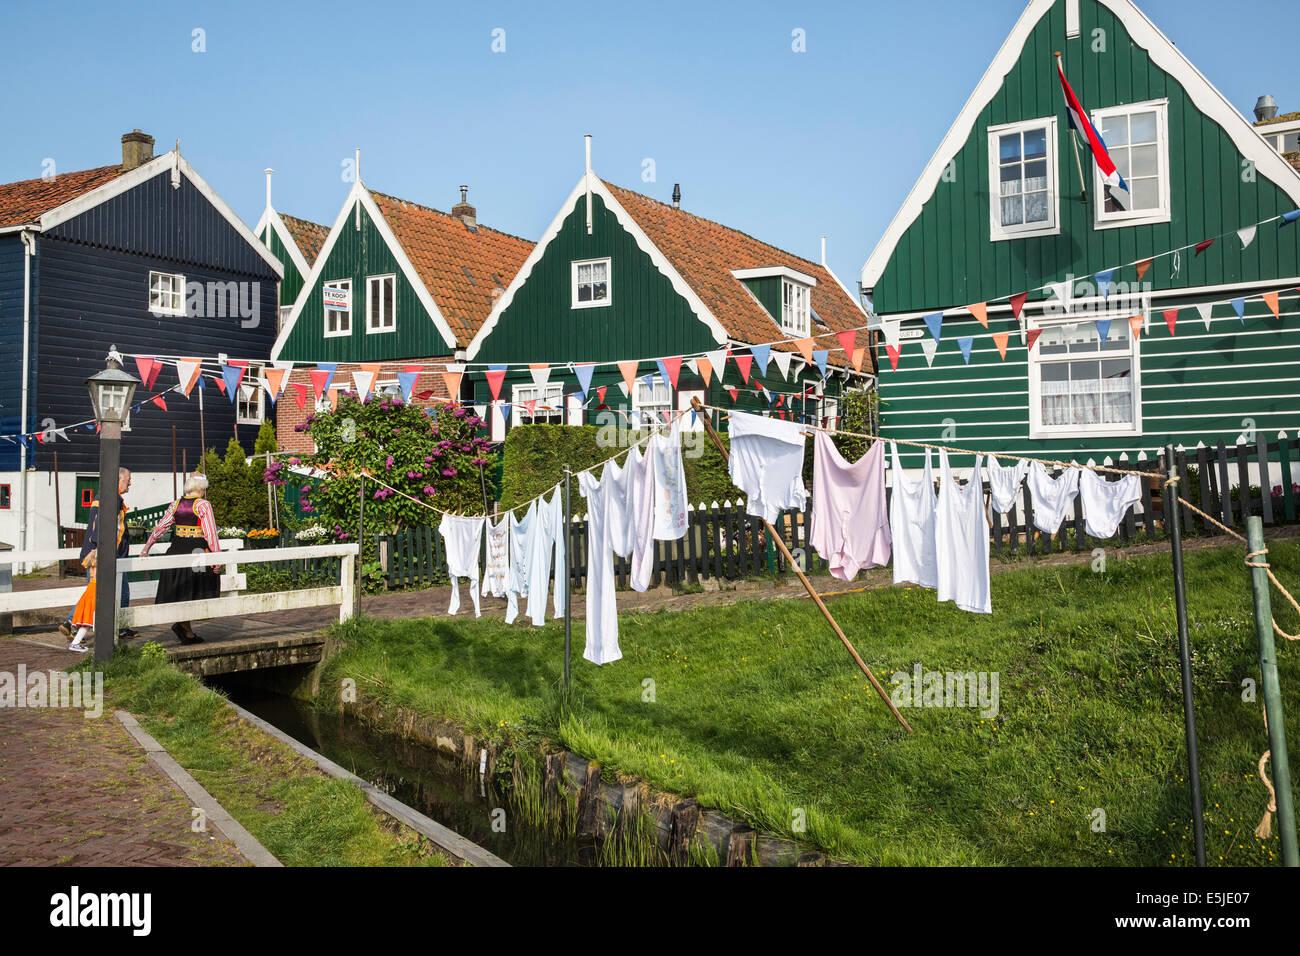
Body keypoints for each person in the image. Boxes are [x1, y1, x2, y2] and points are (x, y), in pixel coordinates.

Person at [141, 473, 221, 644]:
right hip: (196, 552)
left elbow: (161, 527)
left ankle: (186, 629)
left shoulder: (175, 504)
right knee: (195, 588)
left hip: (176, 550)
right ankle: (184, 628)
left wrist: (147, 546)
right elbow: (211, 533)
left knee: (182, 589)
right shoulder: (203, 506)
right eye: (204, 488)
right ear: (200, 489)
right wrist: (217, 558)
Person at [59, 467, 136, 644]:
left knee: (93, 593)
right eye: (128, 479)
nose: (130, 483)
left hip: (97, 552)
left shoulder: (102, 497)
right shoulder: (111, 499)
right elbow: (102, 528)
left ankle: (72, 624)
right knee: (118, 591)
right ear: (118, 480)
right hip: (103, 555)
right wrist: (103, 552)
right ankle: (120, 627)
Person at [67, 552, 98, 653]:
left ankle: (75, 643)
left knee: (88, 621)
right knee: (88, 621)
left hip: (90, 592)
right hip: (94, 593)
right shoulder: (98, 566)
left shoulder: (92, 566)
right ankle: (75, 643)